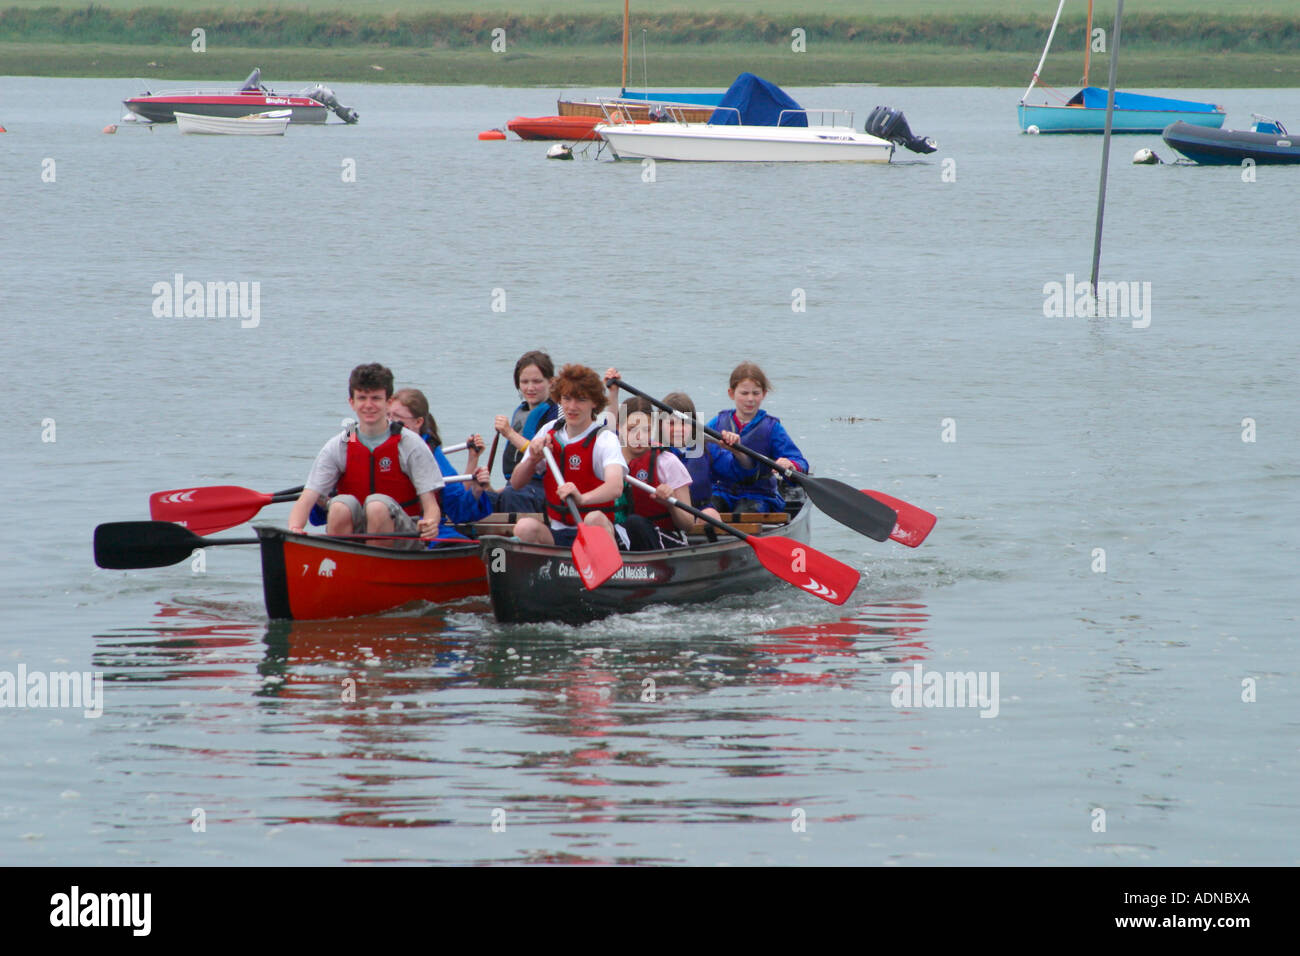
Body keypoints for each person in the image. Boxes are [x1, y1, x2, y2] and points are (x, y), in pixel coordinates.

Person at [286, 363, 442, 548]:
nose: (368, 405)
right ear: (351, 402)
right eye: (362, 398)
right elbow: (307, 498)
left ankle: (377, 565)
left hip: (404, 537)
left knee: (377, 506)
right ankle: (342, 562)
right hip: (355, 535)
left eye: (376, 398)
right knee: (339, 505)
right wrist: (294, 530)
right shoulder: (340, 444)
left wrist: (431, 523)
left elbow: (431, 505)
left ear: (388, 402)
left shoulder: (410, 443)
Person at [511, 364, 625, 548]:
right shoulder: (548, 431)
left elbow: (615, 487)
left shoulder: (604, 439)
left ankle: (606, 568)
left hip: (596, 530)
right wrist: (532, 458)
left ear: (594, 402)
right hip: (557, 532)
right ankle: (544, 572)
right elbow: (516, 483)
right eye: (566, 398)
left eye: (580, 400)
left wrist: (582, 499)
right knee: (524, 528)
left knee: (594, 518)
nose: (572, 407)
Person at [706, 361, 808, 514]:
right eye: (744, 393)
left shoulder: (772, 428)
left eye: (756, 393)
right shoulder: (717, 422)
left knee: (745, 510)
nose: (750, 399)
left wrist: (791, 464)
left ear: (764, 394)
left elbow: (801, 463)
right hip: (721, 491)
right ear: (731, 393)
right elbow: (692, 450)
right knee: (708, 508)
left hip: (759, 494)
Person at [389, 387, 491, 536]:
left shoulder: (431, 453)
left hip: (425, 529)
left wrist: (476, 490)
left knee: (460, 543)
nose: (390, 423)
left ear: (418, 422)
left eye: (397, 418)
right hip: (382, 528)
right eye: (387, 416)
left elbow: (458, 512)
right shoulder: (374, 447)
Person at [610, 395, 698, 550]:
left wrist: (670, 504)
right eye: (631, 429)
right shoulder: (607, 459)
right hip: (620, 538)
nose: (639, 436)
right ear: (619, 427)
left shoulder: (667, 462)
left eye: (646, 429)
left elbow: (688, 523)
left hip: (665, 541)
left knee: (634, 523)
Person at [489, 350, 558, 514]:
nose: (530, 388)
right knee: (482, 496)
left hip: (542, 487)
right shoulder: (521, 412)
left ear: (551, 382)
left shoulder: (555, 414)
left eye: (537, 381)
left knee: (513, 495)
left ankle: (518, 537)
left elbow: (543, 456)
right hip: (516, 485)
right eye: (524, 382)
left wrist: (509, 433)